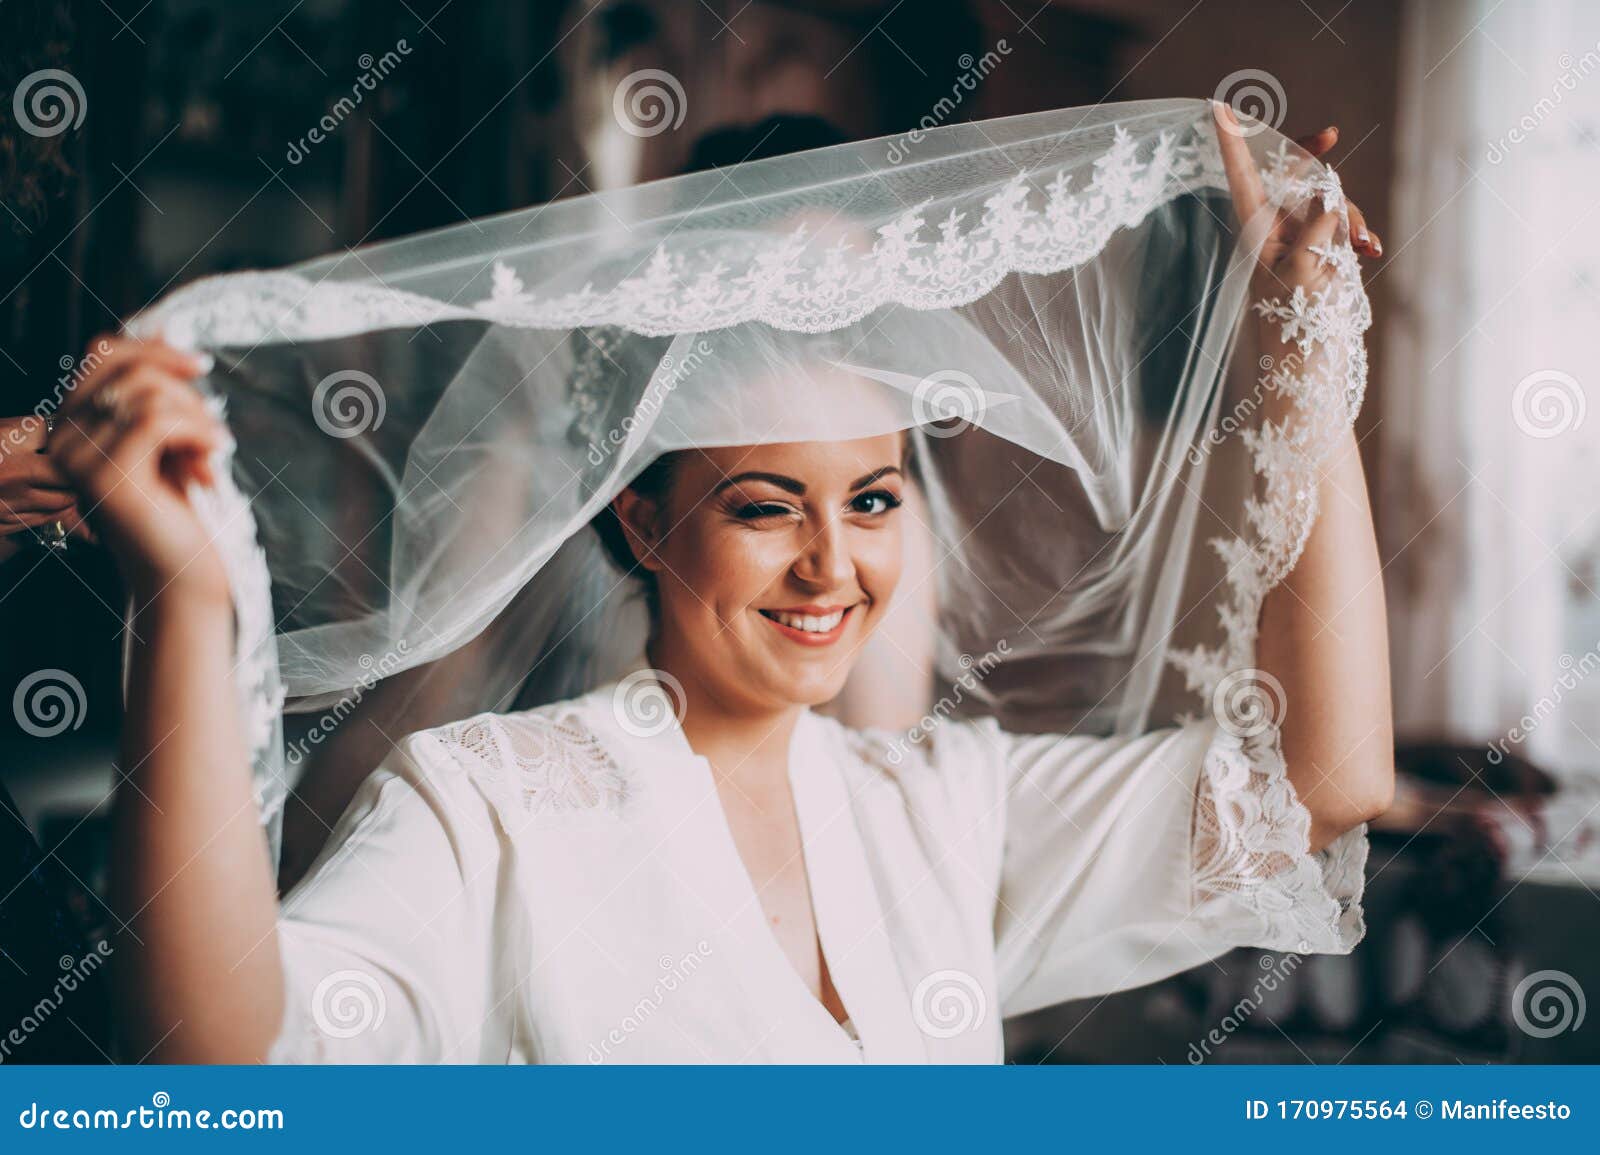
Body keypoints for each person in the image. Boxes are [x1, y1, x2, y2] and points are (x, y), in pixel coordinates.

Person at [44, 107, 1392, 1063]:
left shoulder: (944, 805)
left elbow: (1320, 785)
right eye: (762, 507)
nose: (831, 564)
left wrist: (1302, 364)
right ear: (642, 520)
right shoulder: (492, 806)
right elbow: (217, 1060)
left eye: (873, 500)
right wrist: (190, 602)